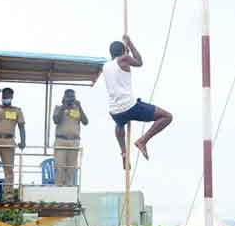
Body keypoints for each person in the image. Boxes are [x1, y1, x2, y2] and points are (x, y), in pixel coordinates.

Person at [104, 35, 173, 166]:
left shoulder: (106, 66)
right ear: (123, 52)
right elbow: (139, 62)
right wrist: (129, 43)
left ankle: (123, 152)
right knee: (167, 117)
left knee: (119, 125)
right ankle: (142, 141)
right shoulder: (124, 59)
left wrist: (125, 50)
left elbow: (122, 66)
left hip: (115, 111)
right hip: (130, 107)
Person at [0, 88, 26, 202]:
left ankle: (9, 196)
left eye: (8, 95)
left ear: (12, 96)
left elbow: (21, 126)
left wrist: (23, 141)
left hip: (8, 141)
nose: (5, 97)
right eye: (4, 95)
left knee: (9, 170)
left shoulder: (17, 110)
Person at [52, 89, 88, 187]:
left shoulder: (77, 109)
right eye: (69, 96)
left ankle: (69, 187)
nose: (71, 99)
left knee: (71, 167)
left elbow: (85, 122)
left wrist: (79, 107)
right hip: (61, 141)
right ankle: (59, 186)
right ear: (64, 97)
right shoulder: (59, 108)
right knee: (59, 166)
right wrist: (64, 106)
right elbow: (56, 120)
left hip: (74, 141)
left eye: (72, 97)